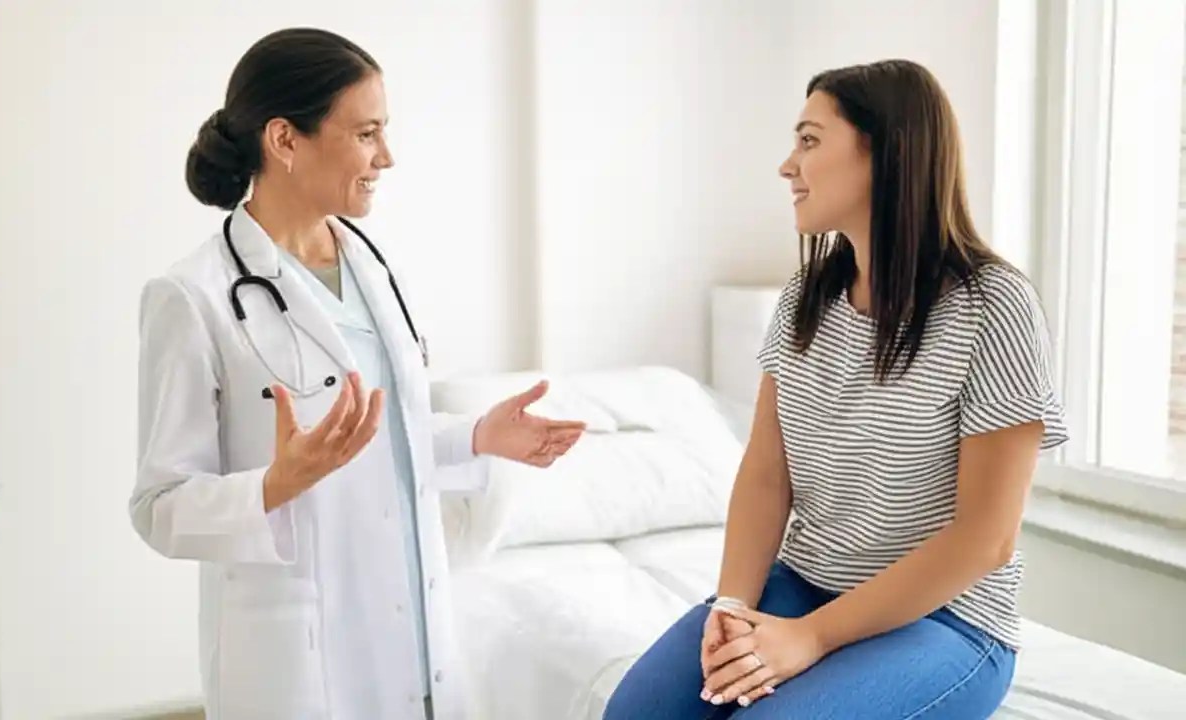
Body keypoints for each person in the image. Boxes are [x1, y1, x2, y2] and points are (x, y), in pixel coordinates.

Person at [130, 28, 585, 720]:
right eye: (366, 133)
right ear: (285, 140)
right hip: (301, 657)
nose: (386, 157)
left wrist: (476, 437)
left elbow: (371, 437)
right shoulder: (191, 296)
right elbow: (158, 506)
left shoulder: (368, 264)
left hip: (413, 627)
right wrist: (274, 486)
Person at [603, 59, 1068, 719]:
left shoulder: (993, 306)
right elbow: (767, 474)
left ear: (885, 151)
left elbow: (985, 539)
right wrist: (735, 605)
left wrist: (811, 639)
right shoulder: (806, 298)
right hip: (801, 584)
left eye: (810, 140)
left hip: (945, 620)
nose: (787, 165)